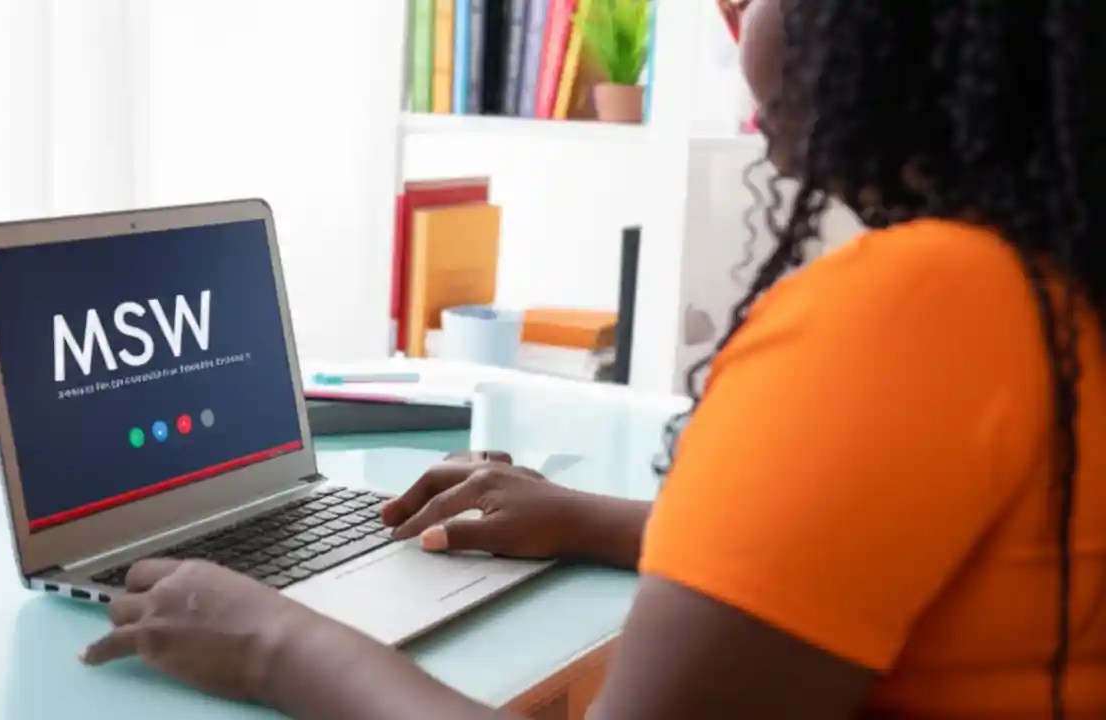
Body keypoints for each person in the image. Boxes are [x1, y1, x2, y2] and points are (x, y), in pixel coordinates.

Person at [81, 1, 1106, 717]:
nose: (732, 22)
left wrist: (277, 642)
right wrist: (597, 521)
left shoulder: (907, 311)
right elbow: (921, 553)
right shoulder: (1054, 285)